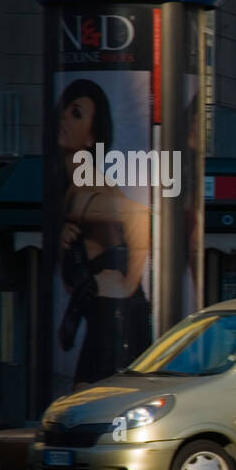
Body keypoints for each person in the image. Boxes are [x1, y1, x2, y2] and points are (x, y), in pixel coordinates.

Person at [55, 78, 152, 388]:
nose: (63, 118)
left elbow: (140, 216)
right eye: (64, 110)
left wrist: (128, 284)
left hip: (116, 315)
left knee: (87, 406)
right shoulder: (71, 185)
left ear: (91, 137)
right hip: (107, 313)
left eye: (76, 113)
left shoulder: (84, 189)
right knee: (86, 407)